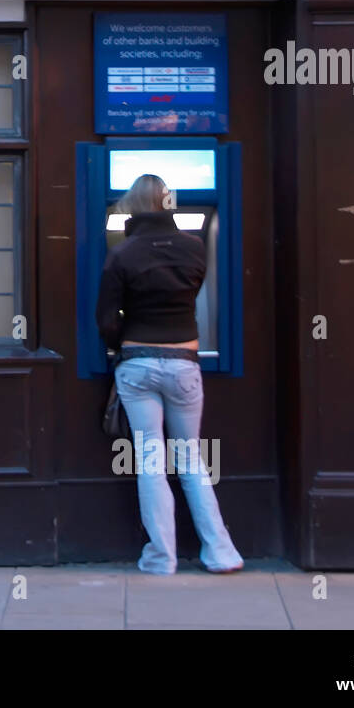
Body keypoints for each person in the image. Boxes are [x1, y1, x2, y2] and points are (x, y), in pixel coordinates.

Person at [95, 173, 244, 575]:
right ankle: (221, 553)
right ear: (168, 203)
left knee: (149, 460)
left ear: (132, 206)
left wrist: (122, 334)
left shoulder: (122, 254)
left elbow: (106, 319)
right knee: (191, 459)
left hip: (138, 363)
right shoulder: (195, 247)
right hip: (184, 363)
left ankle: (162, 557)